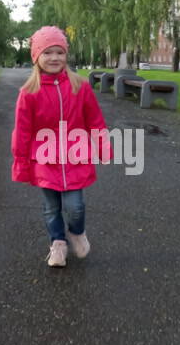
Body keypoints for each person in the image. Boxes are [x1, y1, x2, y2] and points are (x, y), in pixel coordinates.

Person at [11, 26, 112, 267]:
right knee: (51, 207)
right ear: (36, 57)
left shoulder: (80, 86)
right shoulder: (29, 92)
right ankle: (58, 244)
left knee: (75, 206)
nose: (54, 58)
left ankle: (77, 232)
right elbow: (22, 131)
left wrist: (103, 145)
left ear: (66, 55)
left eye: (59, 52)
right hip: (44, 159)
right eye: (47, 53)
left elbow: (95, 119)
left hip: (75, 155)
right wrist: (21, 162)